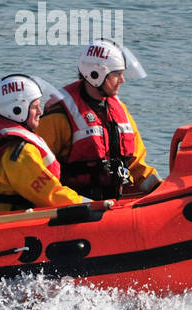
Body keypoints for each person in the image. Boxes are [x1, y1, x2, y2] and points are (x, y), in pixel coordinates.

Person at [38, 38, 162, 199]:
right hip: (76, 206)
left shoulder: (120, 110)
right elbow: (39, 169)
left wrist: (159, 187)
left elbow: (136, 164)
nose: (122, 80)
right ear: (96, 75)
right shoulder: (60, 115)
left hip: (112, 202)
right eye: (117, 75)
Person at [0, 74, 85, 213]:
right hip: (11, 222)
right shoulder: (21, 153)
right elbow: (50, 195)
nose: (40, 112)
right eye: (35, 107)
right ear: (17, 110)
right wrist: (88, 203)